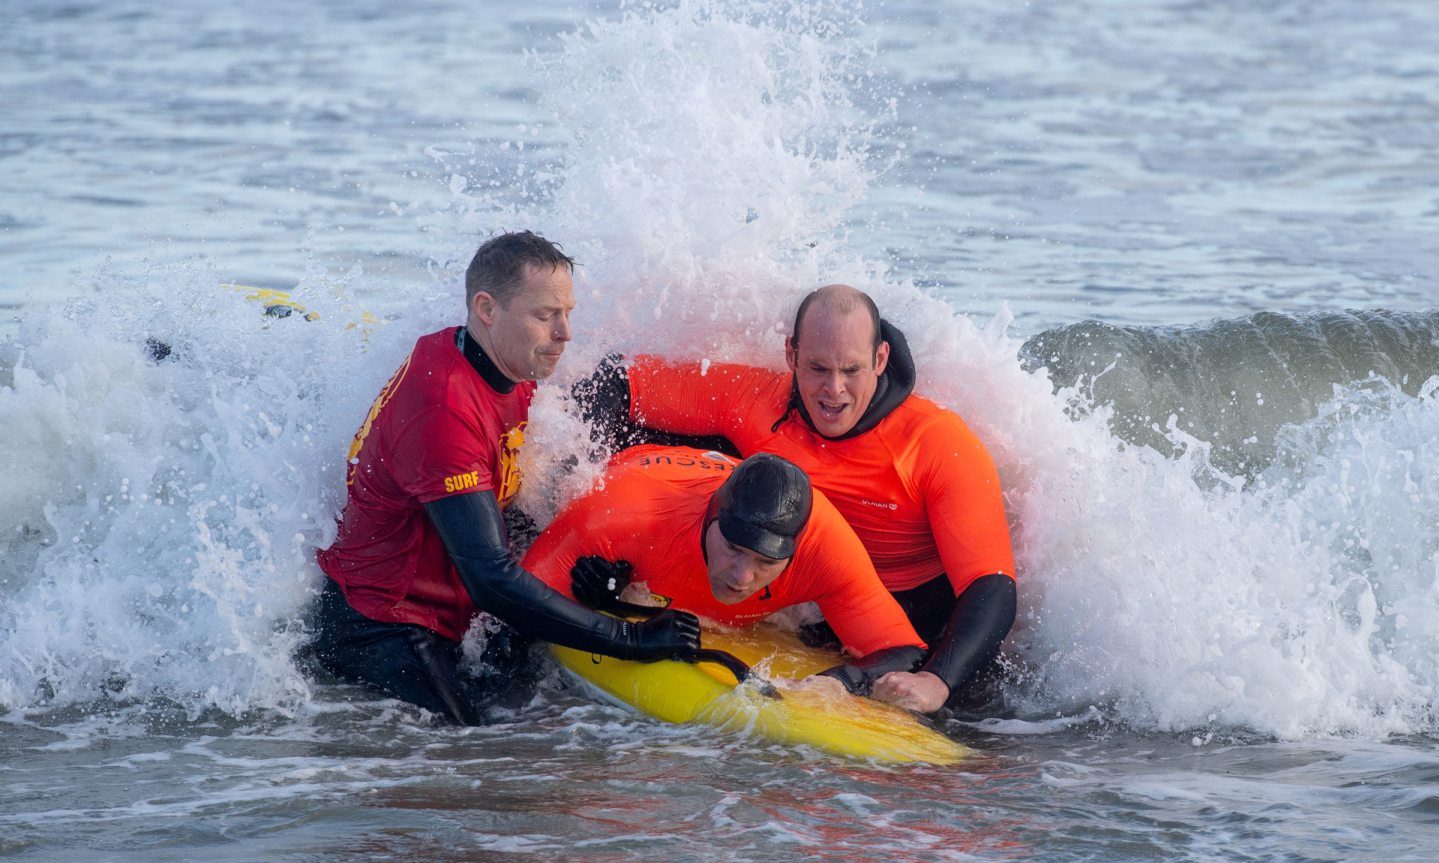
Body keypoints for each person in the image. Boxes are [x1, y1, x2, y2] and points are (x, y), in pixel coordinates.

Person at [310, 231, 700, 724]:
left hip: (454, 601)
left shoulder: (497, 361)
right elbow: (492, 579)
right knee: (475, 755)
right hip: (384, 622)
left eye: (568, 313)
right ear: (487, 309)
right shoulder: (445, 410)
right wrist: (630, 640)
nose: (565, 333)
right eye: (545, 316)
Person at [574, 284, 1016, 713]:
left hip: (920, 625)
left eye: (852, 370)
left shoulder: (936, 443)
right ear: (792, 355)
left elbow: (991, 583)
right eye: (817, 368)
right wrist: (577, 500)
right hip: (803, 601)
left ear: (880, 359)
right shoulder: (755, 398)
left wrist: (938, 680)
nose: (834, 391)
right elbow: (620, 381)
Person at [522, 445, 928, 692]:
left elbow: (904, 652)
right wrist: (626, 633)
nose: (741, 577)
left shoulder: (825, 546)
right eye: (732, 548)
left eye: (766, 562)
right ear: (710, 516)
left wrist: (837, 684)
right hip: (640, 473)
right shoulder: (622, 516)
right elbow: (510, 605)